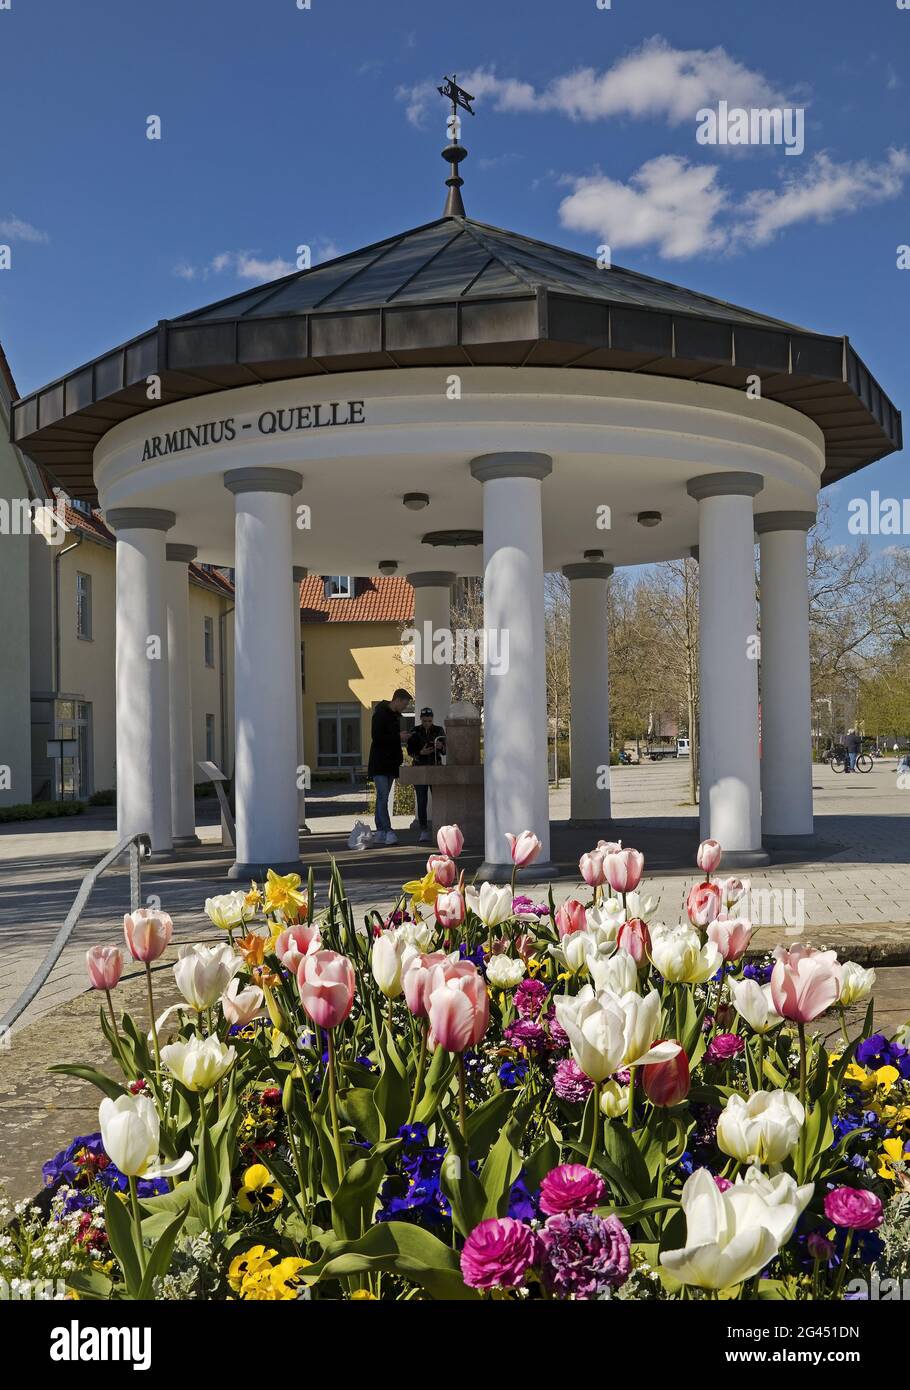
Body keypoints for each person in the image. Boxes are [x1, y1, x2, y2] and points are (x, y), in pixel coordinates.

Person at [367, 688, 411, 844]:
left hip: (391, 763)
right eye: (404, 704)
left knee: (381, 798)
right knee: (383, 797)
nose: (405, 707)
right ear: (397, 700)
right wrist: (398, 736)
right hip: (379, 763)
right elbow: (377, 737)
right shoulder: (380, 714)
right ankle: (388, 830)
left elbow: (390, 740)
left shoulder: (396, 717)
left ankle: (380, 831)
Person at [406, 707, 447, 843]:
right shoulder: (415, 731)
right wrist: (420, 753)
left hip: (435, 767)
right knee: (421, 799)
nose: (427, 723)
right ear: (420, 719)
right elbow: (410, 750)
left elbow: (446, 751)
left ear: (432, 719)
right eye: (424, 721)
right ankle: (424, 829)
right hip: (420, 768)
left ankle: (440, 828)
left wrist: (441, 747)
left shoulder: (439, 730)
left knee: (439, 798)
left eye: (429, 721)